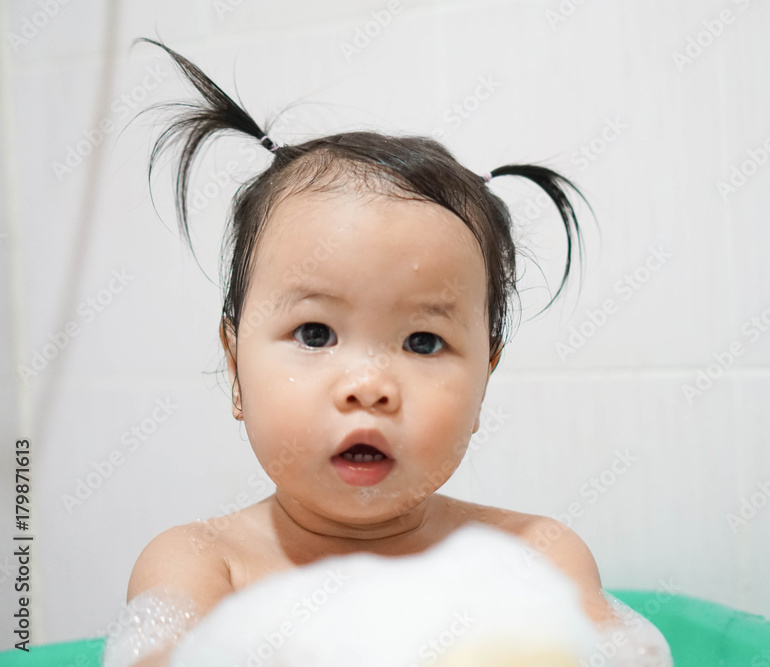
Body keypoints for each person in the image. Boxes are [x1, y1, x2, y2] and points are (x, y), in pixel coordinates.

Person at [111, 39, 671, 667]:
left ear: (485, 376)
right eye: (315, 334)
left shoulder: (538, 558)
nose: (369, 385)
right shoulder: (202, 566)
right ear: (235, 365)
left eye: (423, 342)